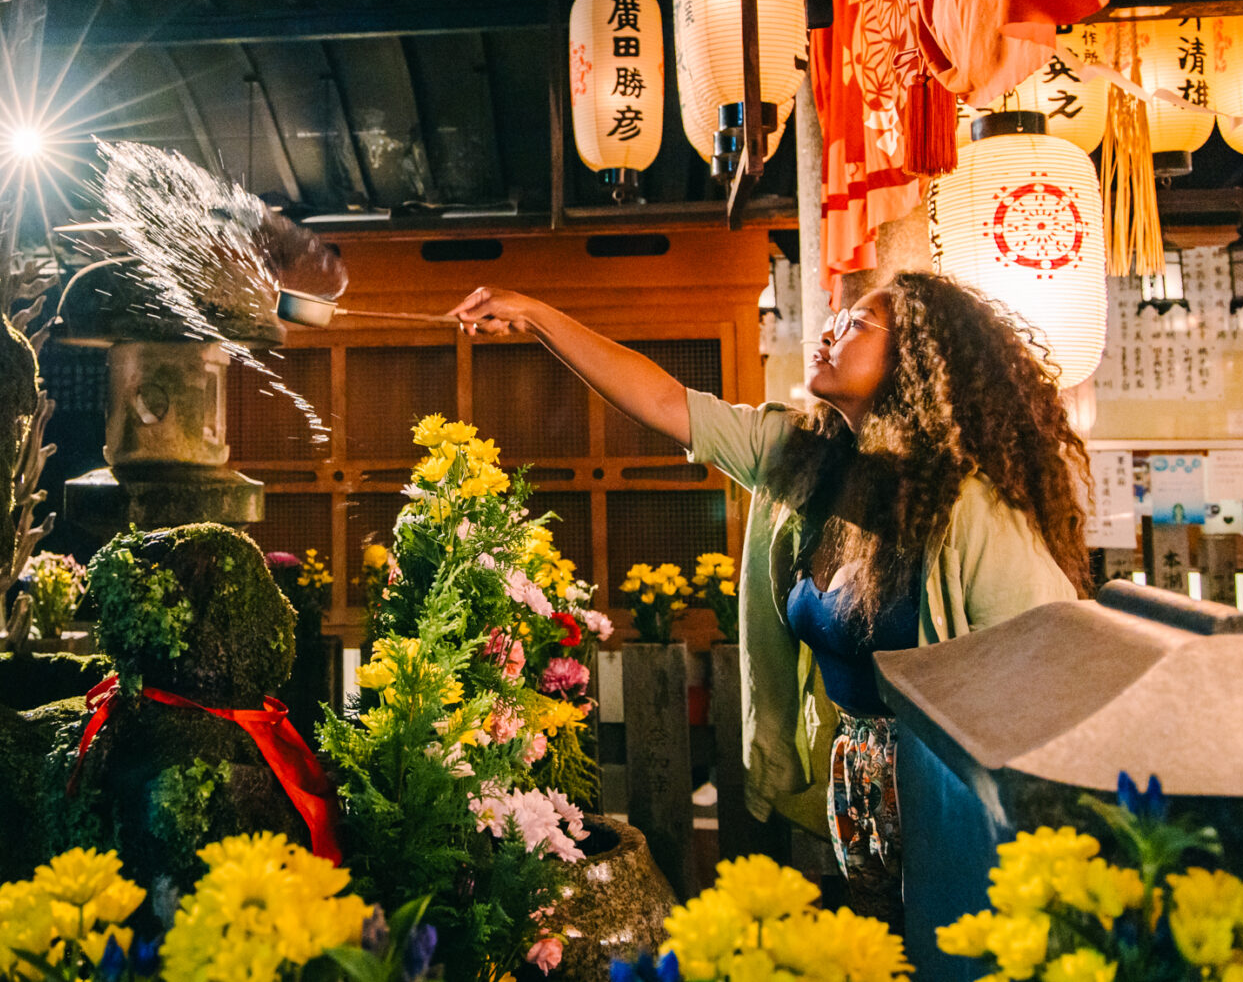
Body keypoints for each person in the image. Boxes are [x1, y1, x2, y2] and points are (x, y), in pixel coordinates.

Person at [446, 271, 1089, 925]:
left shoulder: (972, 505)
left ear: (918, 359)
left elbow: (1047, 672)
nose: (830, 329)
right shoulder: (804, 457)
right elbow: (665, 401)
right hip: (853, 794)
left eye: (859, 323)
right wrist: (535, 314)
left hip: (957, 799)